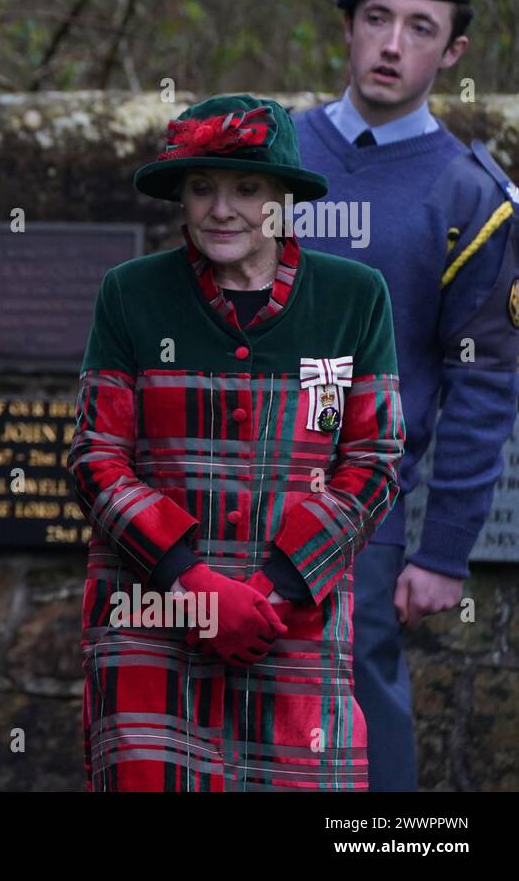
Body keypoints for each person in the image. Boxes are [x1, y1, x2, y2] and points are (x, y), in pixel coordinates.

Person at [67, 94, 406, 790]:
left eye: (247, 188)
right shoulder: (130, 294)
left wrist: (277, 587)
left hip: (294, 630)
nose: (222, 209)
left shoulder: (355, 298)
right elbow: (97, 457)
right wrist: (190, 583)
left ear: (284, 198)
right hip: (151, 623)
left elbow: (372, 466)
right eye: (202, 188)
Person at [292, 0, 519, 791]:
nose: (392, 44)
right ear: (349, 29)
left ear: (452, 52)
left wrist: (444, 553)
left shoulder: (475, 201)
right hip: (222, 492)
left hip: (365, 515)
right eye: (377, 20)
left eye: (420, 28)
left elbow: (484, 388)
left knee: (357, 721)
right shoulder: (266, 158)